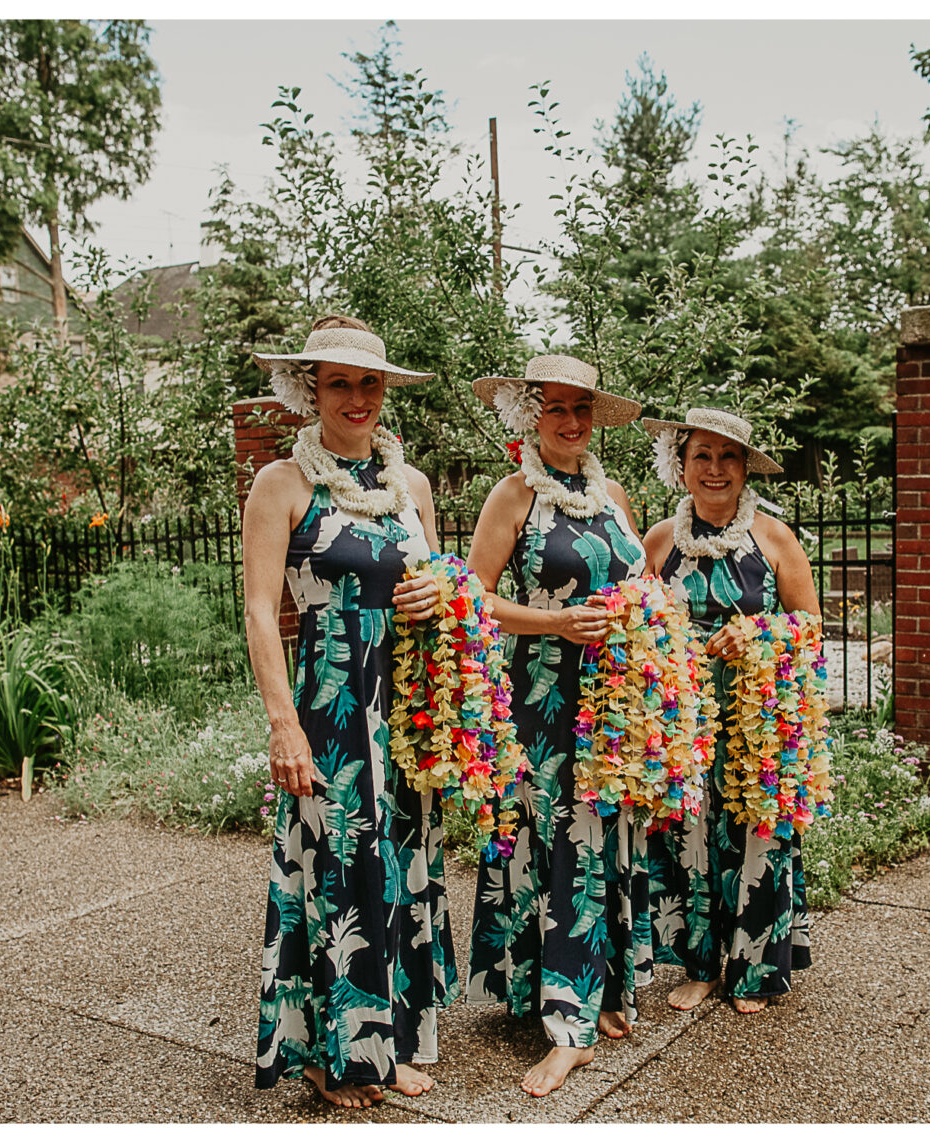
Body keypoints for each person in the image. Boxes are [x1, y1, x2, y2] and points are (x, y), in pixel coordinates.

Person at [243, 315, 456, 1108]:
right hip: (331, 708)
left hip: (406, 708)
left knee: (399, 863)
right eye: (340, 382)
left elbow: (438, 593)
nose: (358, 397)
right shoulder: (282, 483)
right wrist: (282, 721)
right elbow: (262, 612)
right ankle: (338, 1051)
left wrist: (441, 590)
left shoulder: (413, 486)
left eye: (370, 382)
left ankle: (389, 1040)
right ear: (312, 390)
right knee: (336, 870)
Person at [463, 354, 653, 1097]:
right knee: (560, 836)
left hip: (613, 700)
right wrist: (554, 622)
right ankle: (566, 1023)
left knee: (602, 834)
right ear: (529, 417)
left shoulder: (615, 495)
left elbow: (640, 585)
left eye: (581, 408)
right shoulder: (513, 496)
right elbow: (473, 599)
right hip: (544, 697)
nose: (571, 422)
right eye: (555, 409)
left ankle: (601, 985)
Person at [638, 408, 820, 1015]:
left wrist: (760, 636)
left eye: (728, 456)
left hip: (757, 718)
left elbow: (813, 627)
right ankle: (700, 965)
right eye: (702, 456)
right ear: (681, 467)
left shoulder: (773, 538)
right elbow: (641, 618)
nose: (715, 469)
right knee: (690, 834)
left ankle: (757, 968)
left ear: (745, 469)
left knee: (755, 835)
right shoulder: (661, 540)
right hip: (685, 715)